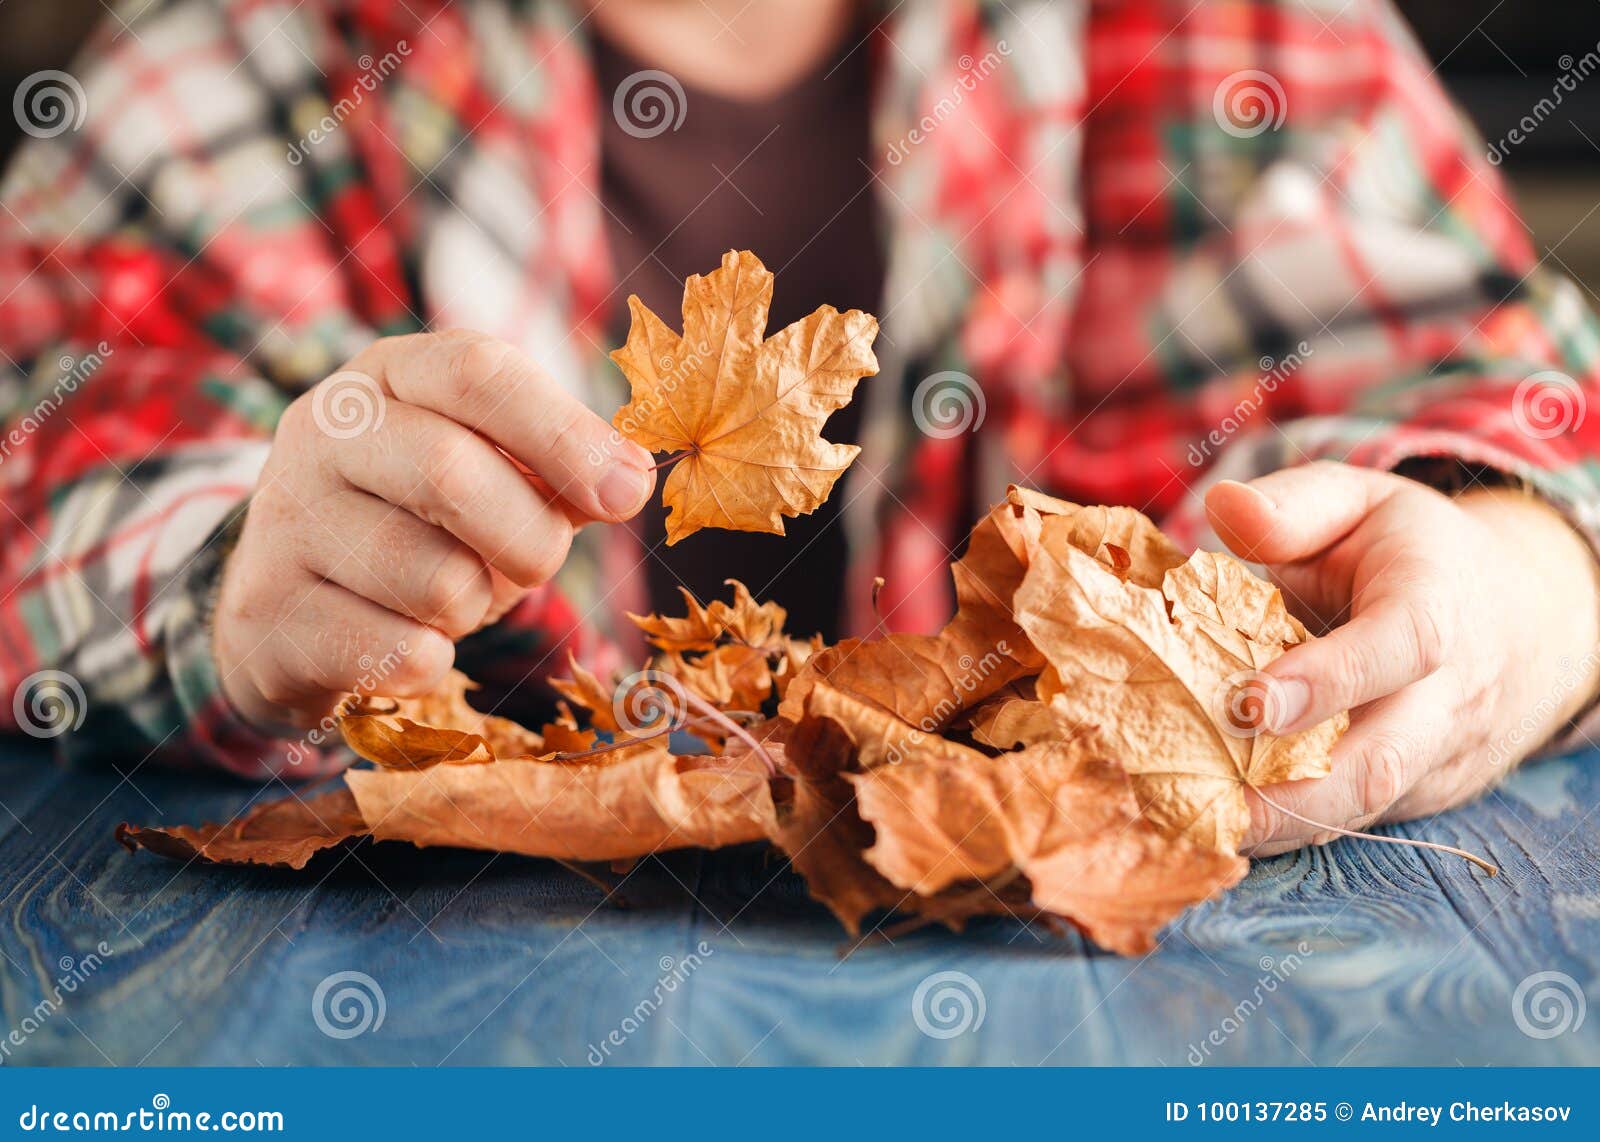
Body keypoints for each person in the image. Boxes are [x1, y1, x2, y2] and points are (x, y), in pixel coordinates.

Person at [2, 0, 1597, 860]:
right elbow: (54, 480)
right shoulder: (238, 64)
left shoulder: (1234, 34)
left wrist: (1513, 594)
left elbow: (1526, 402)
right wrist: (242, 578)